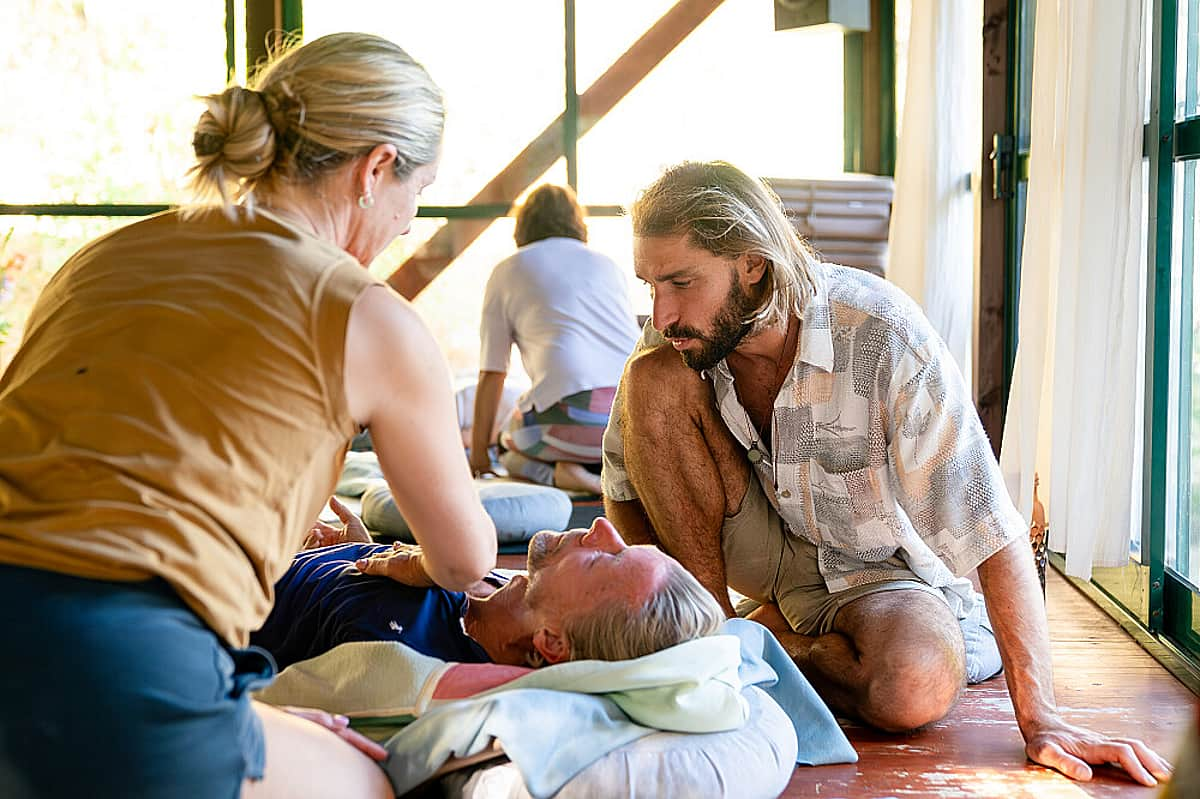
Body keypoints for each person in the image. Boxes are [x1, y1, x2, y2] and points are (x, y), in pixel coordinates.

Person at [0, 33, 497, 799]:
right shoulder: (366, 314)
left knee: (292, 735)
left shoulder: (97, 259)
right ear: (377, 168)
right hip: (121, 664)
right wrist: (408, 562)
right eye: (416, 196)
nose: (406, 223)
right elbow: (465, 559)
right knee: (376, 782)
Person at [601, 160, 1172, 787]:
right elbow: (627, 489)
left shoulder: (882, 334)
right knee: (650, 377)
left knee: (914, 682)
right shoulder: (678, 339)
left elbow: (990, 528)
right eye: (650, 285)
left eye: (681, 282)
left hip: (884, 572)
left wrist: (1046, 722)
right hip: (761, 542)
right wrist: (650, 614)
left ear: (752, 264)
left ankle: (757, 646)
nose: (662, 313)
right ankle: (711, 648)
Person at [256, 508, 725, 671]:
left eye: (606, 557)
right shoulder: (501, 588)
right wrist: (356, 554)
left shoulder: (400, 648)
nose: (602, 525)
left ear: (553, 642)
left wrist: (288, 562)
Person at [470, 184, 640, 494]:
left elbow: (493, 372)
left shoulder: (508, 270)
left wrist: (481, 454)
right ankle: (600, 470)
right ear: (576, 221)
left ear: (523, 225)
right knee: (597, 437)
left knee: (508, 446)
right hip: (632, 415)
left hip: (571, 420)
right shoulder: (607, 265)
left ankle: (568, 475)